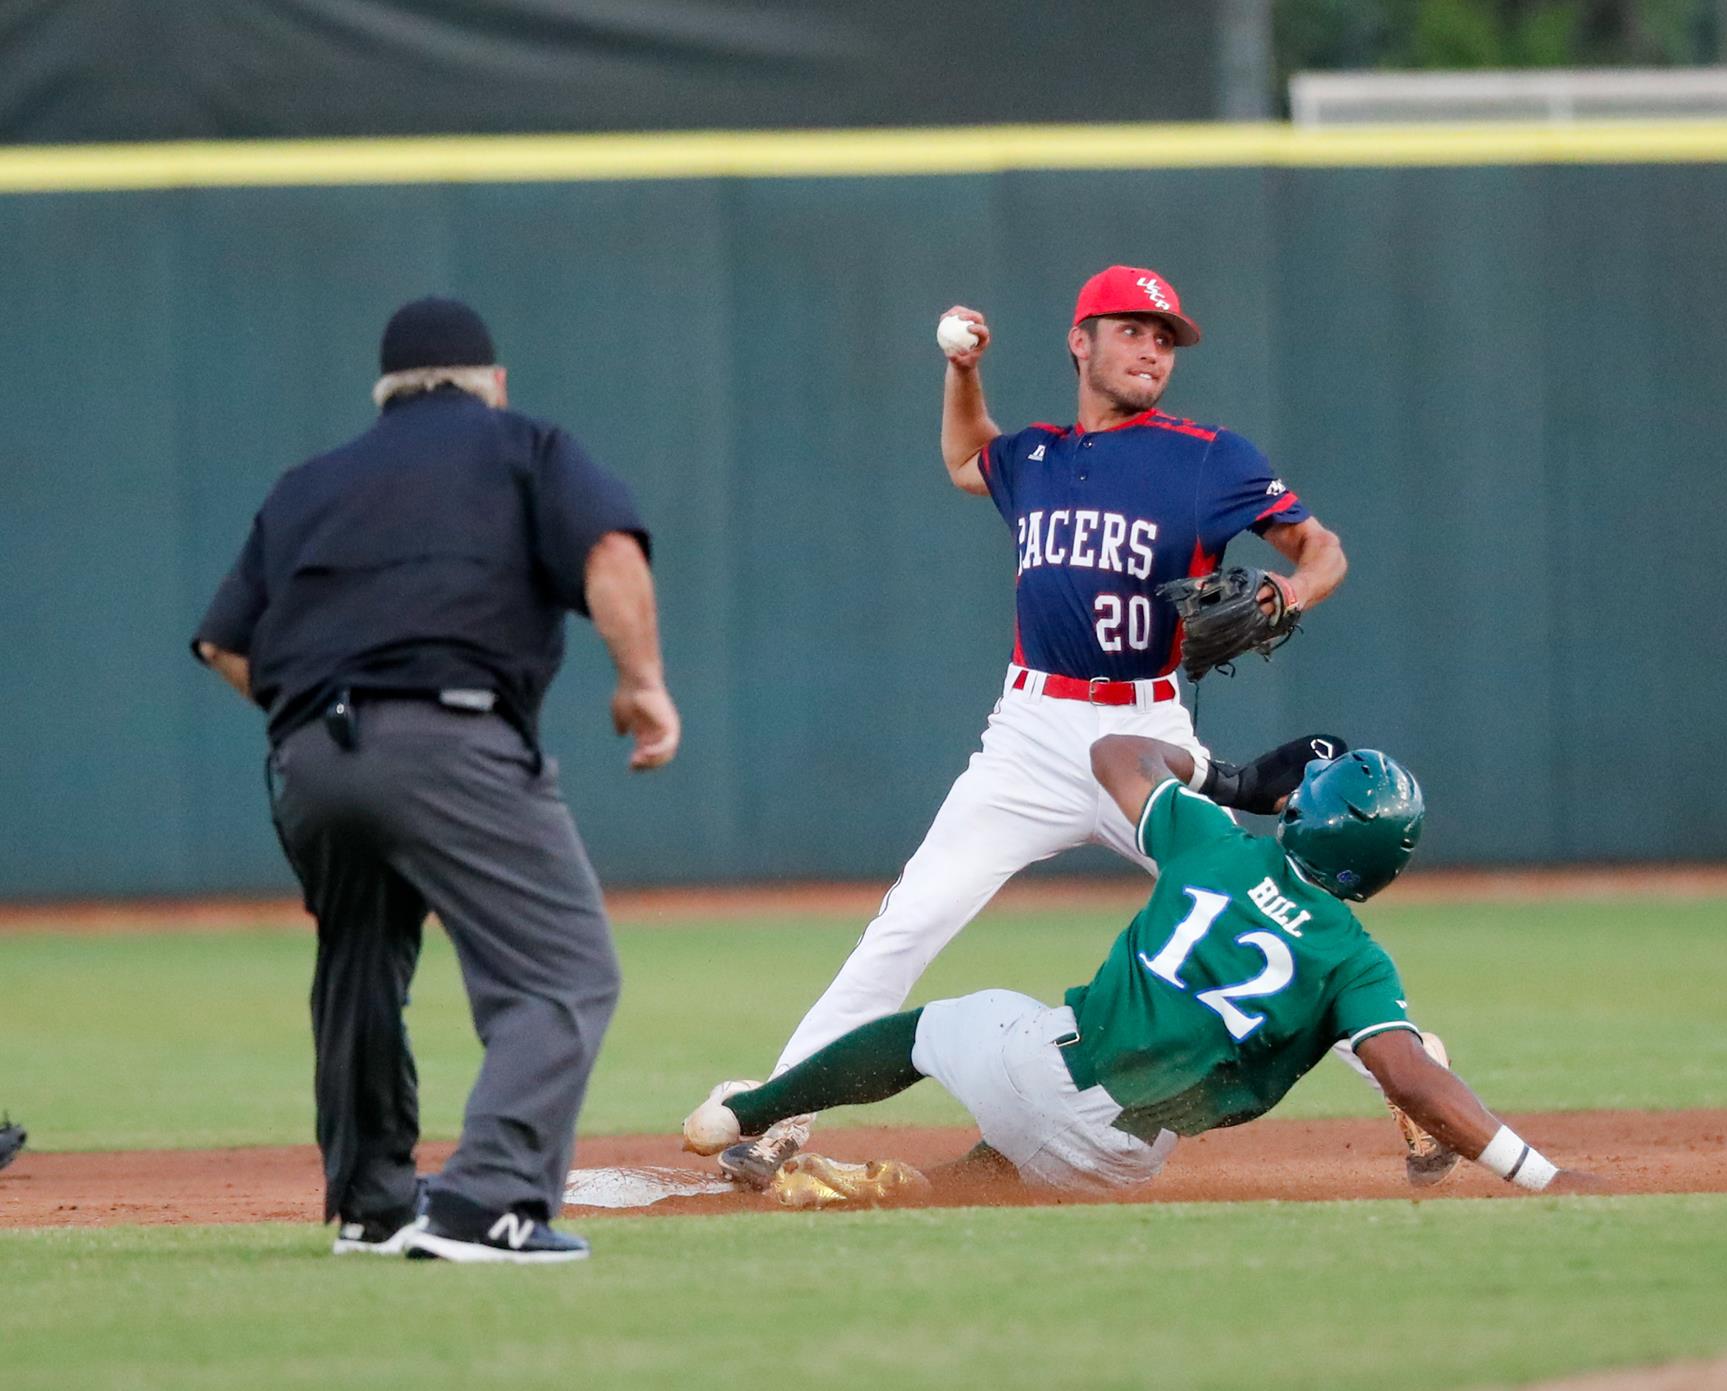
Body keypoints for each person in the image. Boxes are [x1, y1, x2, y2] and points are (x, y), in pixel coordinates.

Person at [698, 264, 1453, 1187]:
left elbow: (1323, 548)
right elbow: (965, 459)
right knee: (907, 922)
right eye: (1134, 330)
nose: (1153, 350)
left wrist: (1287, 591)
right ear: (1080, 340)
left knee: (1265, 914)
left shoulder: (1209, 456)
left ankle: (1425, 1094)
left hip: (1143, 737)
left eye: (1166, 338)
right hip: (1027, 734)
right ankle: (782, 1113)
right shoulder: (1037, 456)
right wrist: (964, 374)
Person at [193, 297, 681, 1264]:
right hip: (448, 731)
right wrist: (644, 682)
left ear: (385, 397)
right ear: (491, 385)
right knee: (564, 968)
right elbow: (610, 550)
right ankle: (489, 1199)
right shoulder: (523, 444)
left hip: (309, 754)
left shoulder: (309, 483)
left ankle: (372, 1203)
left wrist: (329, 728)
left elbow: (222, 641)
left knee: (359, 963)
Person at [685, 738, 1600, 1205]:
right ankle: (911, 1190)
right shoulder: (1356, 962)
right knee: (1009, 1167)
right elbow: (1409, 1073)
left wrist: (1226, 775)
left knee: (928, 1028)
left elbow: (1114, 754)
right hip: (1122, 1161)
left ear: (1302, 811)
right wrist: (1545, 1176)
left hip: (1047, 1069)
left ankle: (748, 1114)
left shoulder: (1212, 841)